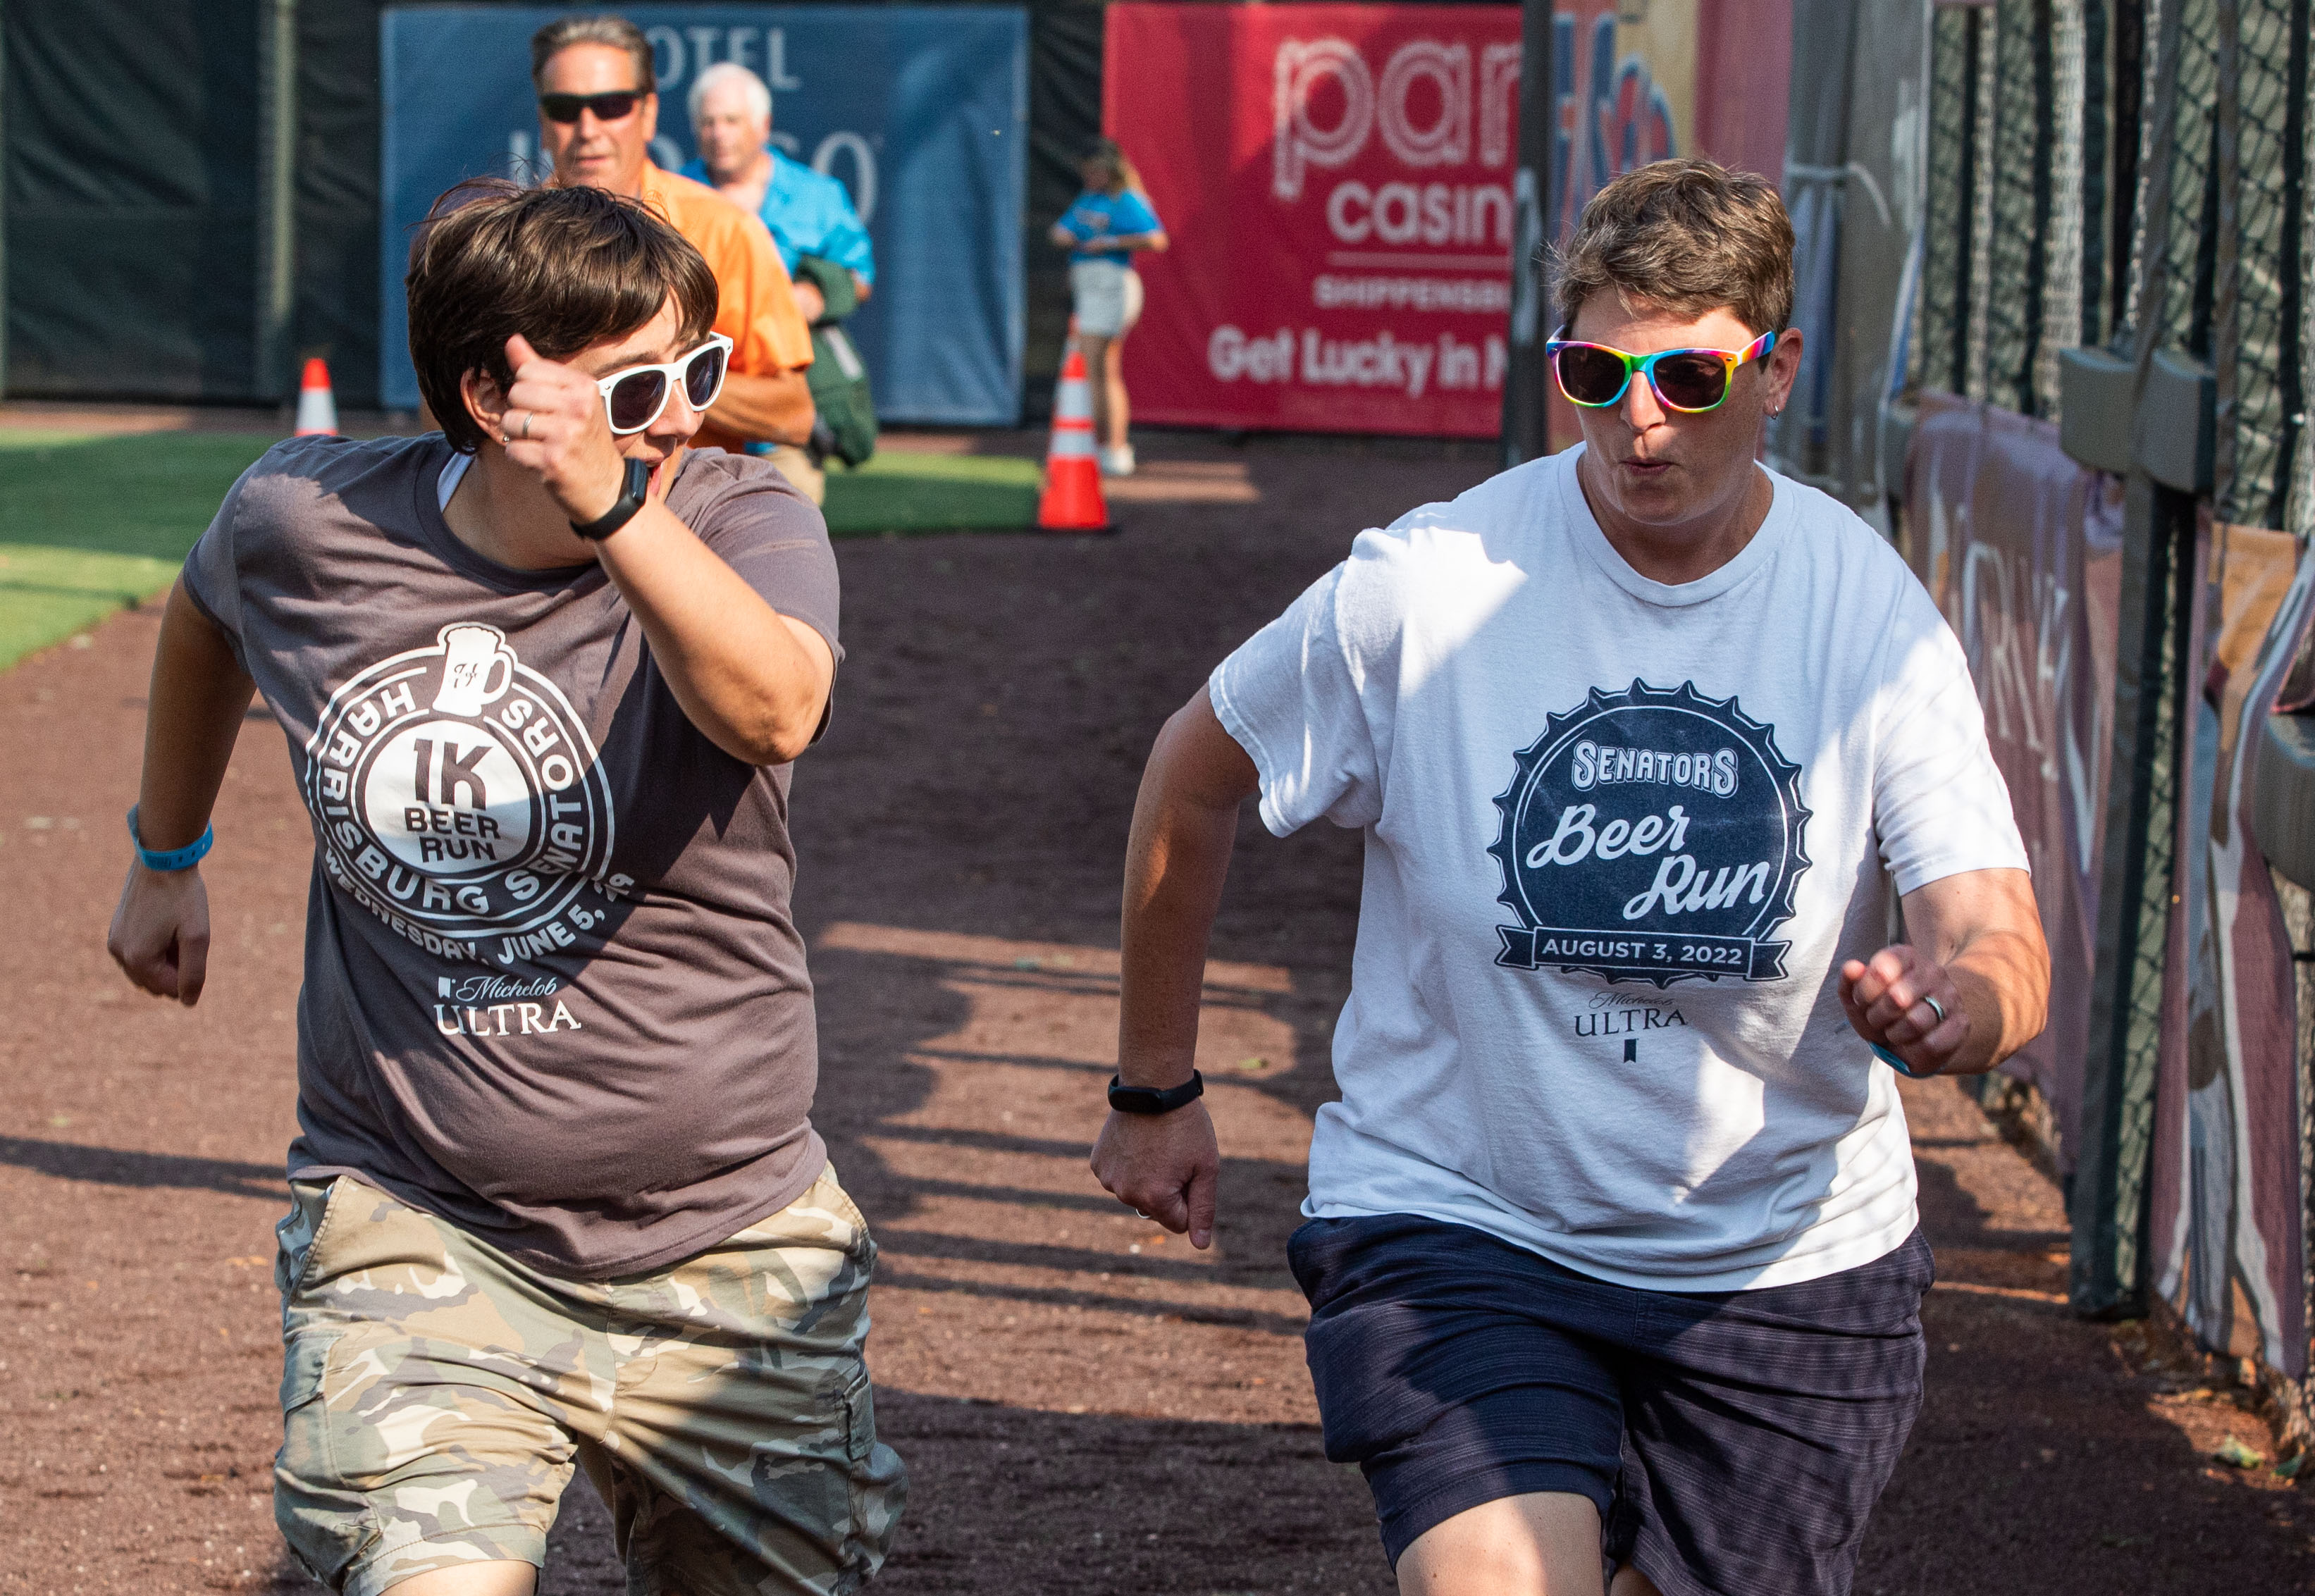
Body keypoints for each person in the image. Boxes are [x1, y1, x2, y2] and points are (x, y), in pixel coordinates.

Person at [1092, 157, 2048, 1596]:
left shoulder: (1864, 611)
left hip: (1782, 1257)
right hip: (1464, 1212)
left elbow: (1996, 927)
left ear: (1776, 369)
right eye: (1595, 370)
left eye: (1687, 375)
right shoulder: (1426, 584)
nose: (1638, 418)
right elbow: (1195, 769)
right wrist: (1152, 1082)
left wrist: (1958, 999)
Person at [106, 180, 903, 1596]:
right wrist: (167, 854)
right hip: (416, 1217)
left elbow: (776, 708)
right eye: (637, 387)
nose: (679, 414)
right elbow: (205, 608)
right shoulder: (305, 519)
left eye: (697, 371)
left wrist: (612, 495)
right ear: (489, 392)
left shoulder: (741, 517)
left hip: (731, 1235)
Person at [531, 16, 820, 485]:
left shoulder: (724, 229)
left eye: (611, 105)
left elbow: (793, 413)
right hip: (542, 514)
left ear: (647, 114)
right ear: (542, 121)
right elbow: (447, 412)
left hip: (689, 508)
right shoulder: (504, 245)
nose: (587, 128)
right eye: (564, 108)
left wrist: (658, 378)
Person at [681, 60, 880, 502]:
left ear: (763, 126)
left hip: (784, 417)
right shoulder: (673, 195)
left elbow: (861, 277)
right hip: (697, 421)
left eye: (732, 120)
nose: (719, 133)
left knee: (787, 545)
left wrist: (814, 296)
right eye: (708, 122)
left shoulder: (817, 195)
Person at [1048, 138, 1166, 478]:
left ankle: (1114, 448)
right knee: (1095, 370)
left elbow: (1156, 238)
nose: (1089, 177)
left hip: (1112, 286)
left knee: (1103, 368)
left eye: (1095, 171)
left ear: (1109, 170)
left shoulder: (1126, 200)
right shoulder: (1089, 200)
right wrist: (1067, 238)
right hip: (1088, 286)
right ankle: (1103, 446)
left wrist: (1110, 242)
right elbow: (1060, 232)